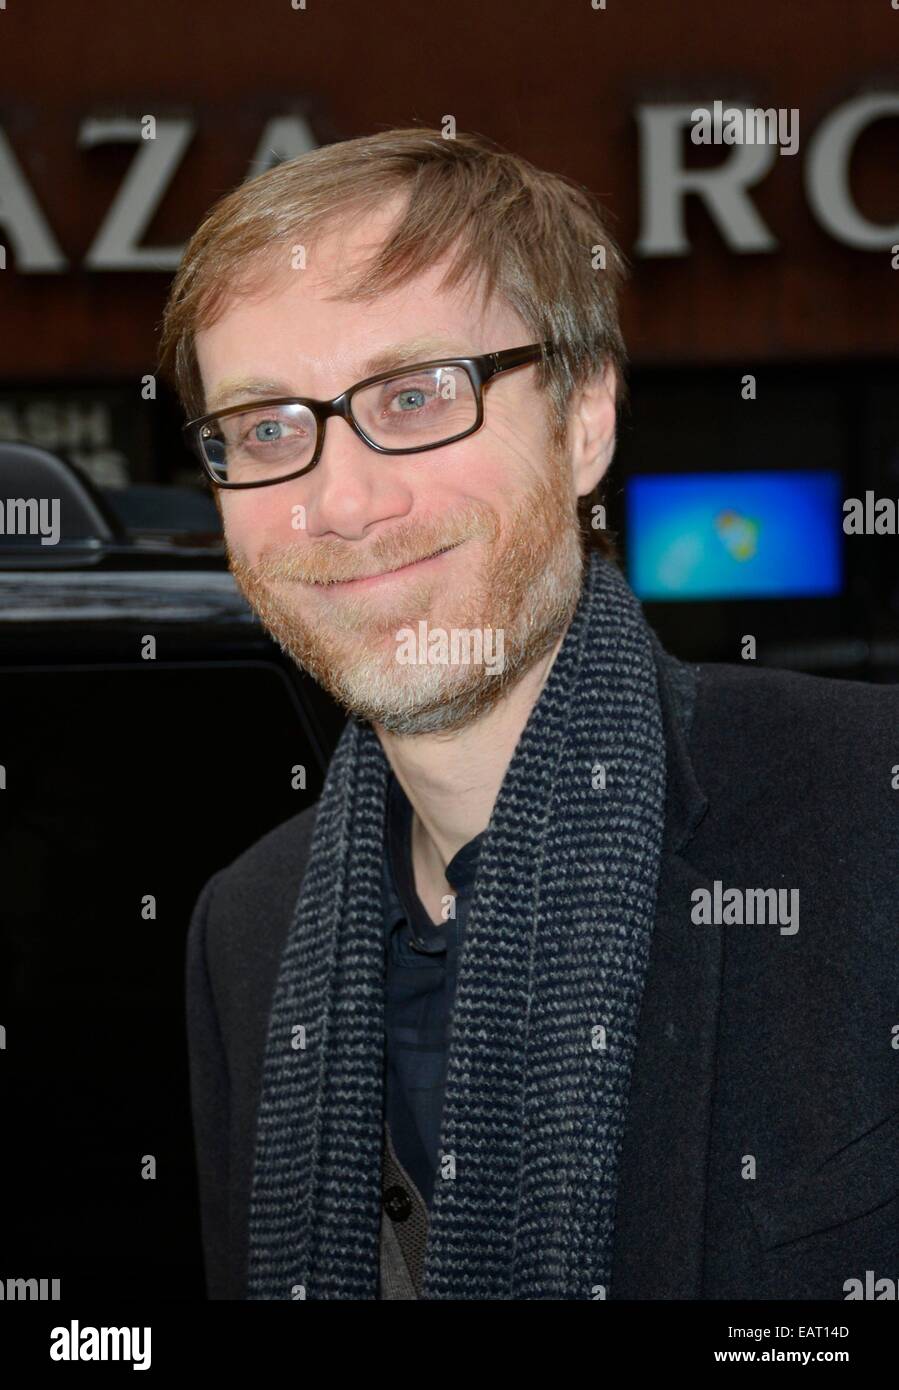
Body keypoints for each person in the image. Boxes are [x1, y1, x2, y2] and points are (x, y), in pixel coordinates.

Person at [159, 126, 899, 1301]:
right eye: (264, 429)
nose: (337, 499)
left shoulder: (866, 815)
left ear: (584, 419)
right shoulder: (242, 932)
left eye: (413, 395)